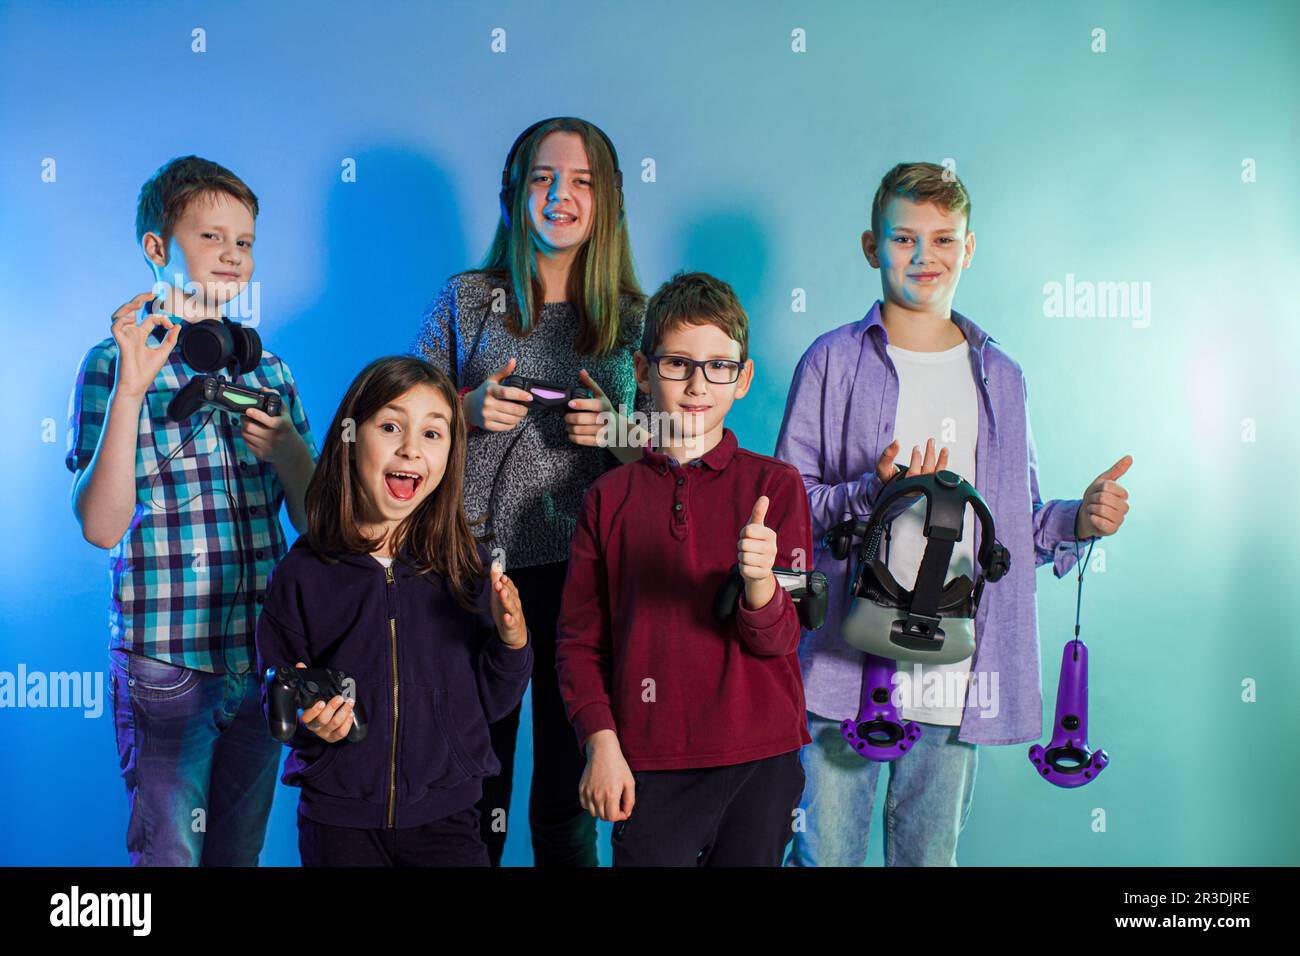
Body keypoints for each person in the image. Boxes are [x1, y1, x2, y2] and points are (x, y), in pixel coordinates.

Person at [776, 162, 1132, 866]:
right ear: (871, 246)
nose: (923, 257)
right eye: (904, 238)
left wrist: (1079, 521)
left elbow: (1014, 529)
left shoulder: (1000, 375)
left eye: (943, 240)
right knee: (826, 859)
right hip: (844, 669)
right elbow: (789, 509)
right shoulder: (832, 361)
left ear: (969, 249)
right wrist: (867, 492)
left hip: (957, 675)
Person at [410, 117, 650, 866]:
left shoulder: (634, 321)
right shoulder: (467, 300)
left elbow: (677, 461)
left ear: (607, 201)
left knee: (564, 794)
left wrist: (618, 433)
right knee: (474, 782)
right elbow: (395, 416)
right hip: (473, 572)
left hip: (587, 581)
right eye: (543, 178)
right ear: (514, 195)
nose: (561, 195)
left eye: (582, 181)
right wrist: (464, 409)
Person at [66, 155, 318, 866]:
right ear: (156, 249)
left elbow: (314, 521)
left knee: (237, 855)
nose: (233, 255)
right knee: (171, 859)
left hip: (263, 655)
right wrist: (130, 396)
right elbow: (101, 525)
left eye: (244, 242)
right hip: (167, 663)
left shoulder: (269, 372)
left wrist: (293, 452)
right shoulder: (110, 366)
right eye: (212, 237)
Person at [557, 271, 813, 866]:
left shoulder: (777, 486)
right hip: (648, 761)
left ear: (743, 378)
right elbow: (578, 641)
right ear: (644, 372)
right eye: (678, 364)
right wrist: (601, 743)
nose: (698, 384)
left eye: (719, 366)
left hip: (761, 759)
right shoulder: (609, 498)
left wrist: (759, 586)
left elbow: (784, 638)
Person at [254, 357, 533, 867]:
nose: (411, 447)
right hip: (339, 821)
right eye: (390, 427)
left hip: (447, 817)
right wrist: (313, 718)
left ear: (451, 453)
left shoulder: (462, 568)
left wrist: (513, 642)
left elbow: (493, 702)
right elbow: (277, 691)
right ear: (350, 438)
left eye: (433, 433)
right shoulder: (301, 573)